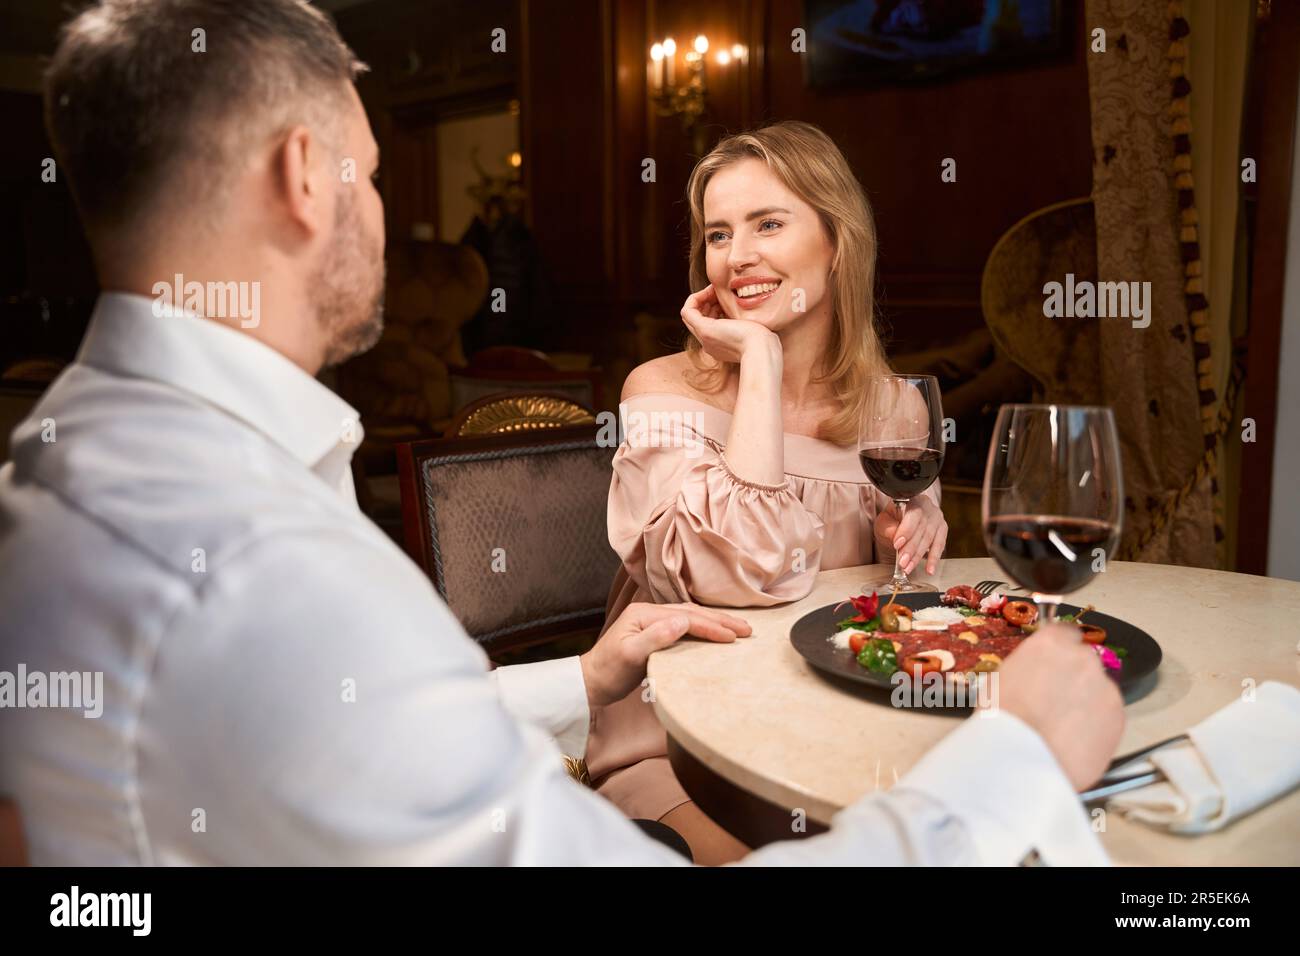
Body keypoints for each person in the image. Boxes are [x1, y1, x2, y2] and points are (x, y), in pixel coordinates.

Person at [0, 0, 1122, 866]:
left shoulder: (80, 466)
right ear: (306, 178)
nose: (389, 214)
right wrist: (1010, 768)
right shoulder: (263, 560)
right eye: (377, 176)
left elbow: (352, 726)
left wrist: (581, 674)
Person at [587, 122, 949, 860]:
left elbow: (889, 611)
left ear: (837, 242)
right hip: (677, 751)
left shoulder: (896, 410)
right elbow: (738, 579)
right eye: (719, 235)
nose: (738, 256)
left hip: (836, 739)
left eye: (769, 224)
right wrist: (759, 358)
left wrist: (911, 541)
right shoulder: (660, 391)